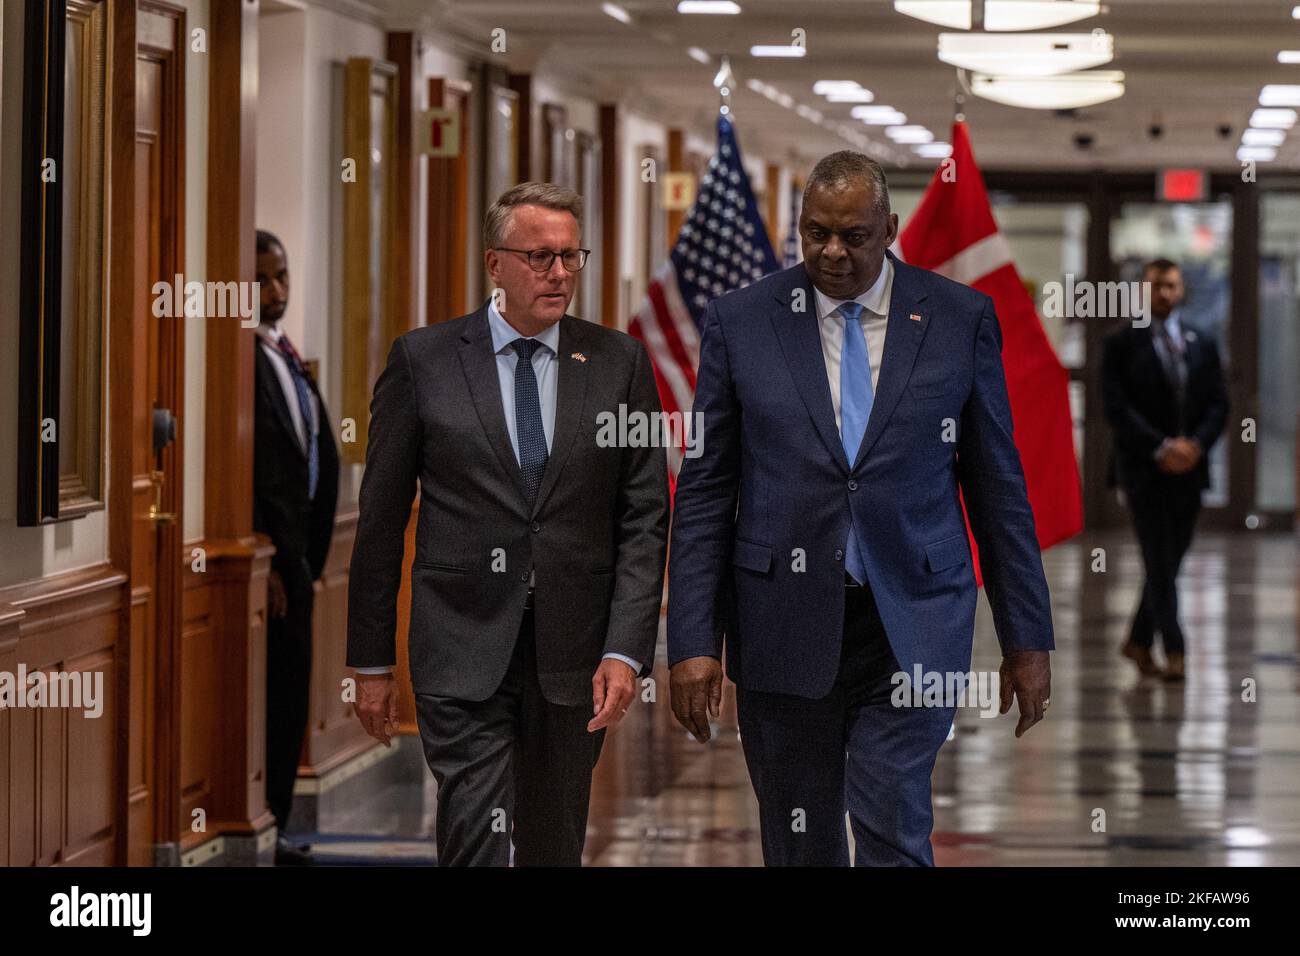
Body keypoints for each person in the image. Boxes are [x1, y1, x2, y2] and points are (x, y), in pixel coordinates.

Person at [666, 151, 1055, 867]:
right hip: (780, 621)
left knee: (893, 824)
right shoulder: (744, 322)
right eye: (816, 234)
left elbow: (998, 489)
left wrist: (1027, 638)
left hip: (914, 620)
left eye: (853, 236)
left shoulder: (958, 320)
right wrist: (691, 640)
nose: (833, 253)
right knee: (802, 842)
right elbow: (706, 491)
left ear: (891, 230)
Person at [347, 182, 668, 866]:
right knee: (476, 836)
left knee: (553, 842)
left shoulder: (618, 364)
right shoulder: (424, 362)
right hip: (460, 646)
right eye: (539, 257)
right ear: (494, 263)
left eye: (570, 257)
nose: (558, 274)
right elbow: (378, 524)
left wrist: (626, 648)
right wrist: (370, 662)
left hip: (573, 656)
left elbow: (644, 518)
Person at [253, 229, 340, 865]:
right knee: (272, 696)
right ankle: (267, 823)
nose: (275, 291)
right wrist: (266, 554)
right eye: (261, 279)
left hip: (302, 560)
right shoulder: (237, 360)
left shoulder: (284, 353)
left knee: (291, 695)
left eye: (281, 276)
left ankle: (279, 821)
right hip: (270, 567)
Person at [1101, 258, 1229, 682]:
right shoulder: (1121, 343)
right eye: (1157, 286)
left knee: (1170, 560)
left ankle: (1137, 640)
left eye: (1172, 286)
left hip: (1190, 470)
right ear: (1143, 291)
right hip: (1143, 470)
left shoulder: (1202, 342)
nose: (1165, 294)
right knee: (1158, 557)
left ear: (1181, 291)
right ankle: (1175, 648)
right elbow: (1116, 408)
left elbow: (1218, 403)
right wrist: (1160, 447)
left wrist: (1194, 445)